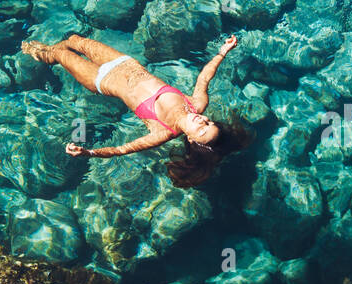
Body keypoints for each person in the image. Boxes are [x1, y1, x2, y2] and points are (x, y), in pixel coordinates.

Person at [21, 33, 252, 187]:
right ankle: (49, 53)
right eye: (209, 122)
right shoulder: (197, 103)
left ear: (191, 140)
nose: (203, 121)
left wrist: (88, 152)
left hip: (101, 80)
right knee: (74, 40)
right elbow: (204, 77)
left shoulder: (161, 132)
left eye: (201, 130)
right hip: (124, 62)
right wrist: (223, 52)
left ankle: (37, 52)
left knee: (62, 55)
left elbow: (123, 149)